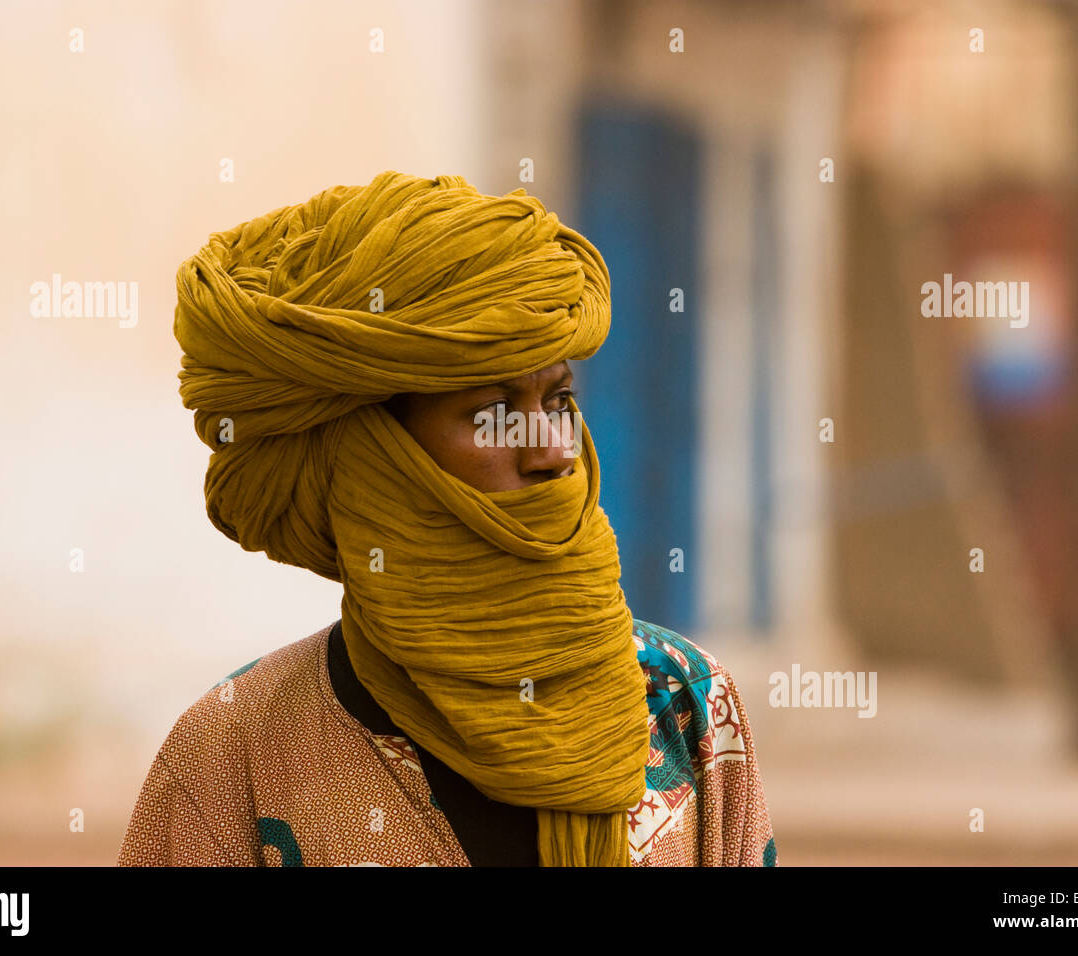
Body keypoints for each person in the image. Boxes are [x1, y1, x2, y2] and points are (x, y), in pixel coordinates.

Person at [117, 170, 777, 867]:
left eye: (559, 400)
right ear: (374, 457)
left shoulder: (687, 709)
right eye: (492, 413)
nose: (553, 451)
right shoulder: (233, 756)